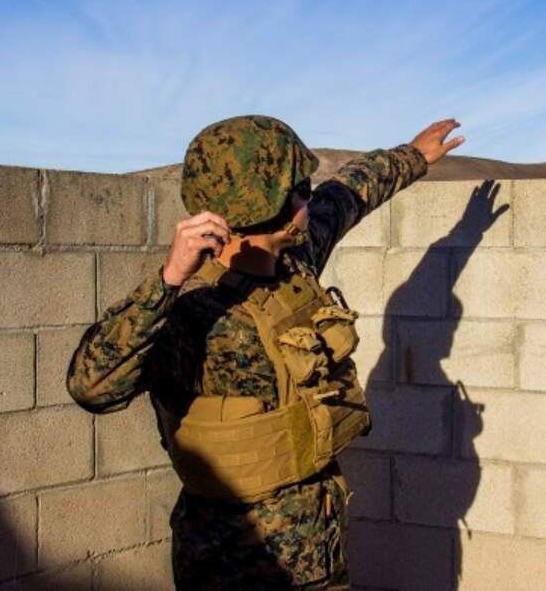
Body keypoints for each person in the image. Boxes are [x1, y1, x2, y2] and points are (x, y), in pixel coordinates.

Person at [67, 114, 463, 589]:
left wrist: (414, 155)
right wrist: (168, 277)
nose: (310, 198)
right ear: (272, 204)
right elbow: (92, 386)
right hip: (229, 565)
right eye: (300, 189)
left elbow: (351, 191)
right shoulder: (195, 310)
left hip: (319, 550)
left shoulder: (295, 260)